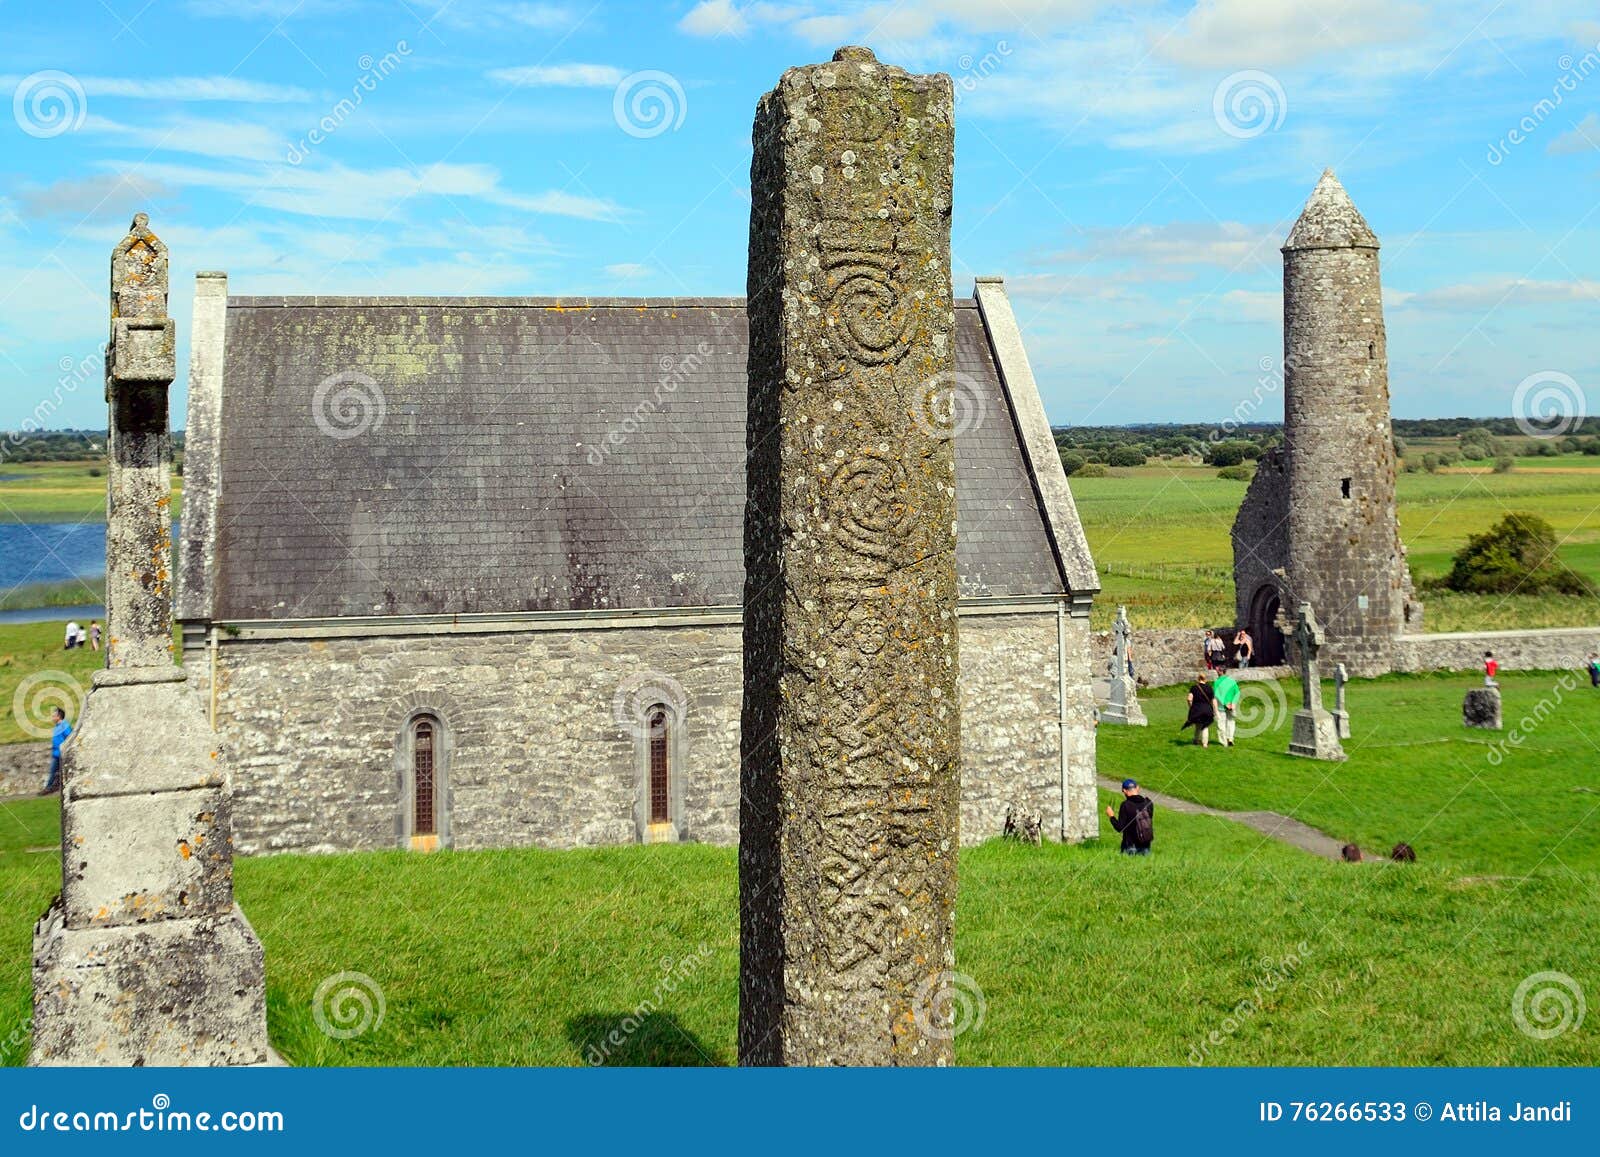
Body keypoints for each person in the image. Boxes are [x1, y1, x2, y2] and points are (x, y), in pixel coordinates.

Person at [1106, 778, 1154, 855]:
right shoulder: (1149, 803)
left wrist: (1111, 816)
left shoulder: (1125, 805)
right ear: (1137, 788)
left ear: (1124, 791)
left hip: (1130, 846)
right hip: (1146, 846)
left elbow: (1120, 828)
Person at [1182, 670, 1215, 747]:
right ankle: (1205, 744)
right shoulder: (1210, 688)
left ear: (1198, 679)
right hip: (1207, 710)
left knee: (1198, 726)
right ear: (1205, 679)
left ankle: (1196, 740)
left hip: (1197, 710)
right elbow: (1213, 701)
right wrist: (1214, 710)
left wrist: (1191, 707)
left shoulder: (1194, 688)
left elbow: (1189, 699)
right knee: (1205, 726)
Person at [44, 706, 71, 794]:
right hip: (56, 753)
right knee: (54, 772)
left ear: (59, 716)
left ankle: (49, 788)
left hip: (61, 753)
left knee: (56, 772)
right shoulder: (57, 726)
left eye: (53, 716)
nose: (52, 718)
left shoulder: (64, 726)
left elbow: (70, 737)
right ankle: (50, 787)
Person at [1212, 668, 1241, 747]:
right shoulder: (1232, 681)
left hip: (1221, 706)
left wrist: (1225, 703)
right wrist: (1233, 703)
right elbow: (1237, 693)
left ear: (1221, 671)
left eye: (1218, 671)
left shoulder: (1217, 682)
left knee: (1221, 723)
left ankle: (1223, 741)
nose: (1217, 672)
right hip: (1231, 706)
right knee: (1231, 722)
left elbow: (1217, 694)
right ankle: (1230, 738)